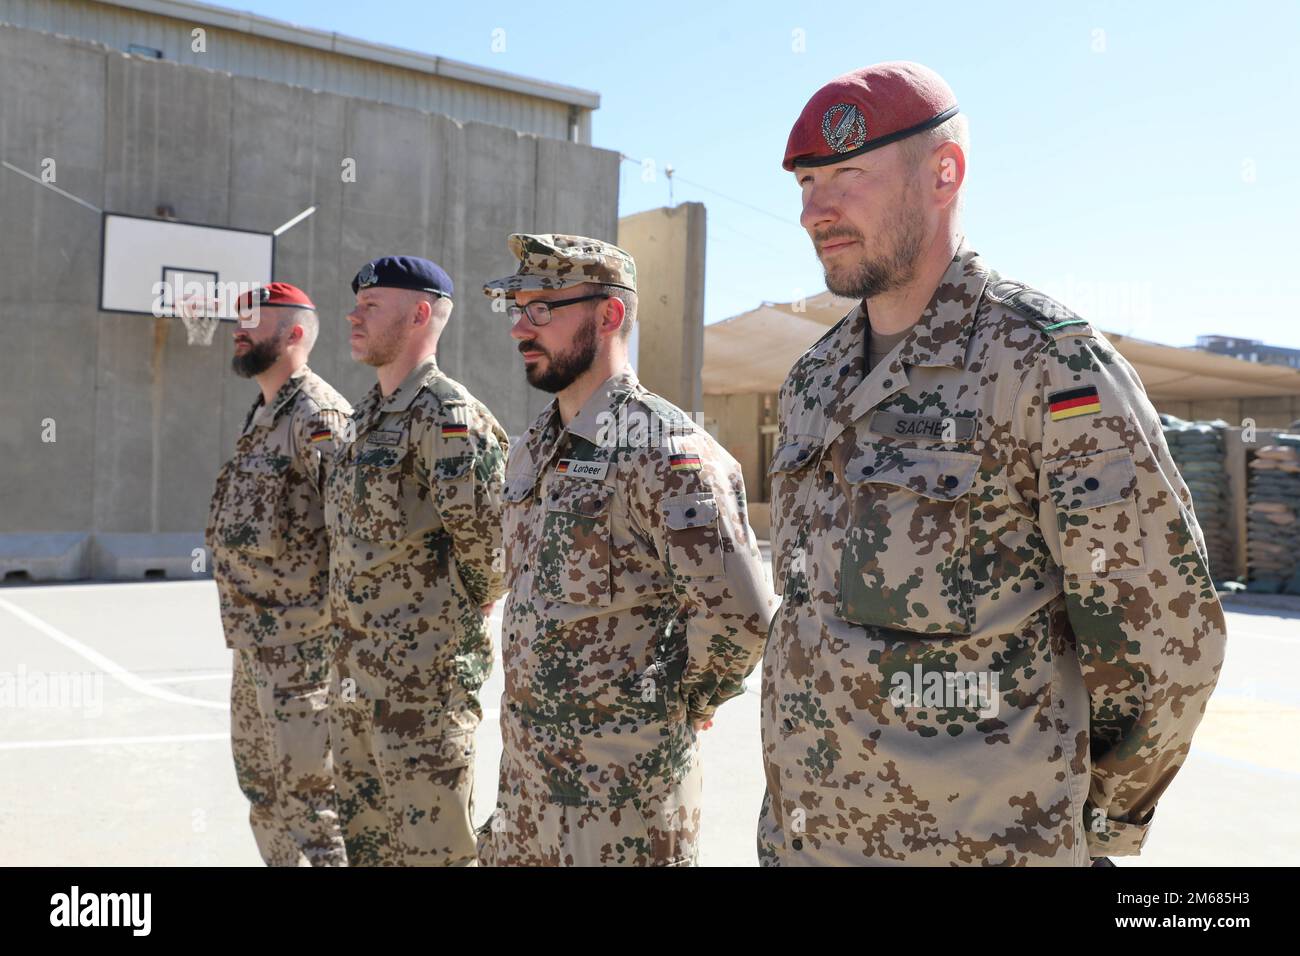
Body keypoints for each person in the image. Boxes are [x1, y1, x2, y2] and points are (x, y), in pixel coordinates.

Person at [761, 61, 1227, 866]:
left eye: (845, 175)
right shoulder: (812, 380)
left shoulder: (1045, 365)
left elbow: (1164, 635)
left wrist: (1091, 827)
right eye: (805, 184)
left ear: (944, 173)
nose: (815, 210)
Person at [476, 233, 775, 866]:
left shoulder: (664, 451)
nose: (520, 329)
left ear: (609, 314)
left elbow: (742, 614)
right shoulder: (531, 448)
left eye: (542, 309)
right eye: (517, 309)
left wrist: (687, 701)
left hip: (620, 809)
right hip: (526, 794)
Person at [325, 256, 507, 866]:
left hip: (421, 692)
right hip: (353, 681)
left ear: (419, 314)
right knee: (368, 850)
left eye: (371, 305)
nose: (354, 314)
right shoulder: (364, 416)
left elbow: (493, 552)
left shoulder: (448, 418)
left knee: (435, 854)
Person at [205, 282, 350, 866]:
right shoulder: (265, 412)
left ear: (294, 334)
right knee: (263, 793)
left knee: (311, 806)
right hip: (253, 645)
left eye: (253, 321)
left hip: (304, 654)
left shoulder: (319, 417)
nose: (239, 329)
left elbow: (353, 536)